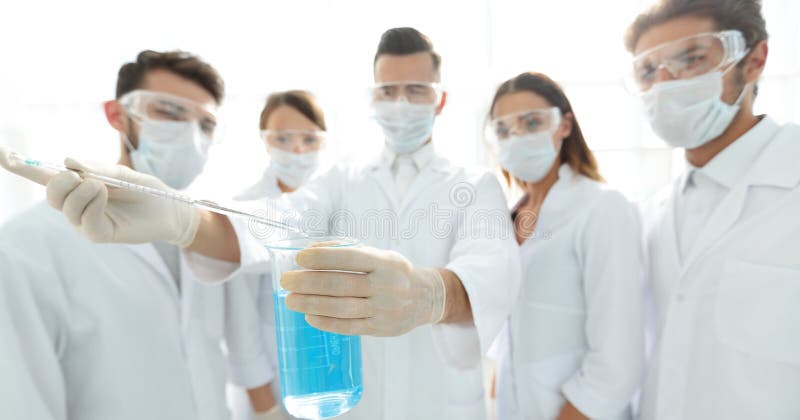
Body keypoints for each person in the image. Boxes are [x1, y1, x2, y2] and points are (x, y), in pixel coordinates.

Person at [4, 28, 522, 419]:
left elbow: (495, 270)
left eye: (416, 90)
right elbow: (274, 220)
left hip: (442, 405)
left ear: (441, 99)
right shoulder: (341, 180)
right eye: (388, 91)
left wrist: (431, 295)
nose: (401, 103)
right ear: (372, 99)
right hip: (346, 404)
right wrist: (185, 220)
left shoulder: (474, 185)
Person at [0, 50, 242, 420]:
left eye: (205, 125)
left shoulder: (211, 235)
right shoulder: (26, 247)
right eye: (170, 112)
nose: (191, 136)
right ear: (117, 115)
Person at [624, 0, 800, 418]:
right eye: (649, 71)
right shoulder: (650, 212)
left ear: (754, 61)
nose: (665, 83)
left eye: (692, 58)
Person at [485, 72, 644, 420]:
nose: (518, 137)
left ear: (565, 125)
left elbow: (618, 362)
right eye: (503, 129)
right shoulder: (509, 219)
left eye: (532, 122)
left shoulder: (603, 208)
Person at [227, 90, 327, 420]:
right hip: (273, 388)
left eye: (308, 139)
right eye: (282, 138)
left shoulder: (337, 203)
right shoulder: (246, 208)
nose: (296, 150)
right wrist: (265, 407)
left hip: (332, 383)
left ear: (323, 142)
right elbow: (241, 324)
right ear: (265, 141)